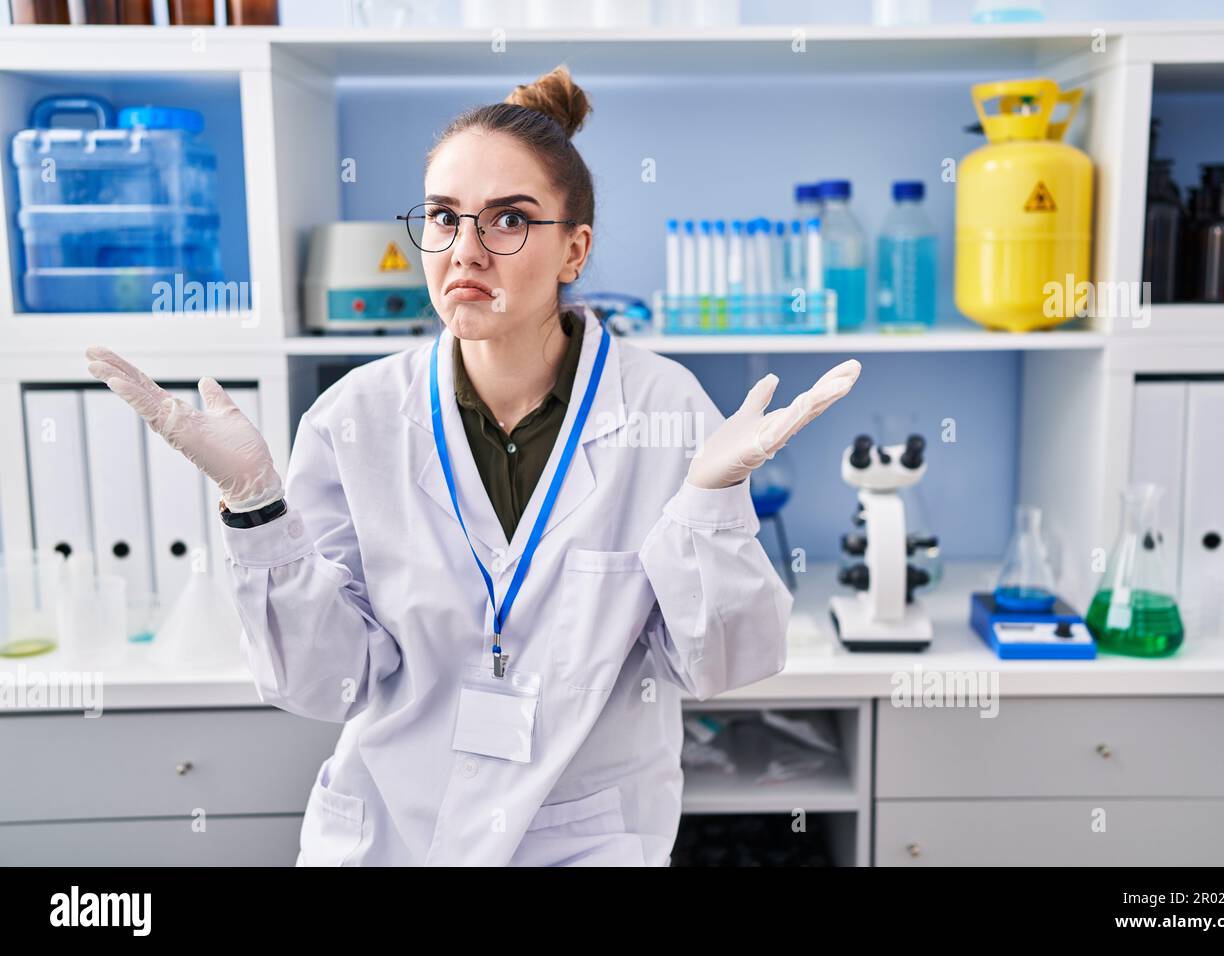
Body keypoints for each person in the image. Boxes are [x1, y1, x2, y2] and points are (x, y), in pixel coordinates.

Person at [86, 65, 860, 866]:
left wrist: (712, 499)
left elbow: (719, 666)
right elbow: (327, 684)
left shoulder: (664, 408)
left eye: (509, 220)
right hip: (390, 833)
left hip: (583, 837)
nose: (466, 249)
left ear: (575, 248)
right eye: (444, 217)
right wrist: (255, 510)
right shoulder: (356, 419)